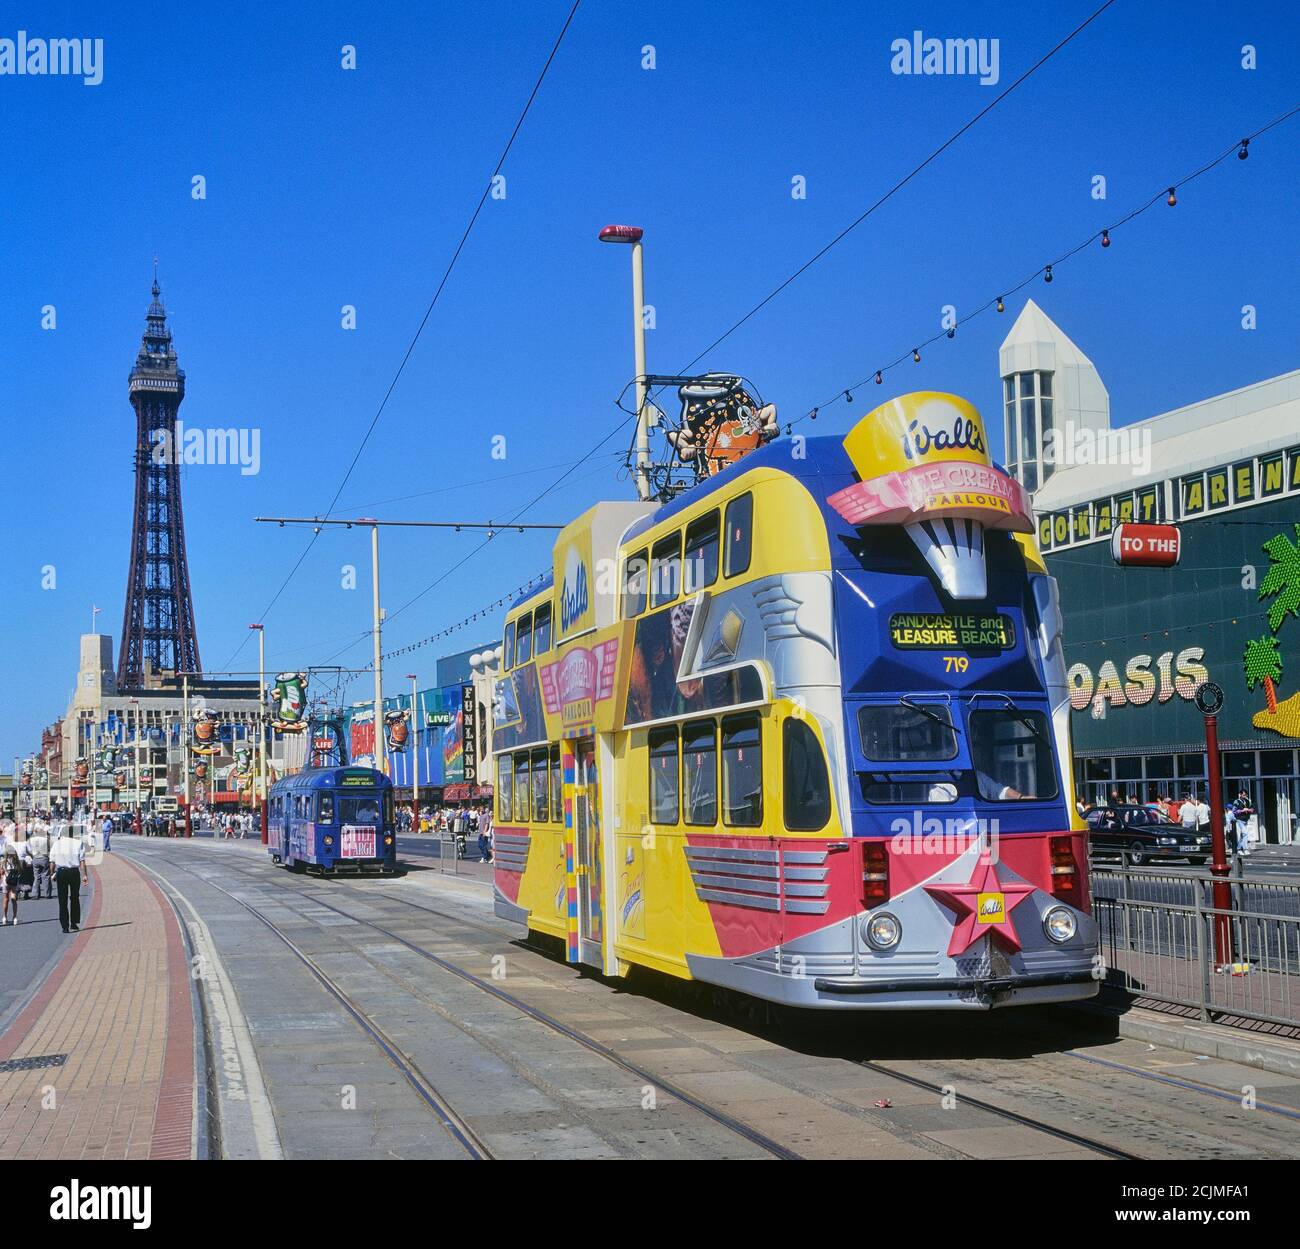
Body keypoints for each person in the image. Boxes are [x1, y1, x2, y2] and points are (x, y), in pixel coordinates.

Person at [50, 823, 89, 933]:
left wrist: (51, 873)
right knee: (74, 897)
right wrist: (84, 875)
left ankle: (64, 926)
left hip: (61, 872)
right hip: (74, 872)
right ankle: (74, 922)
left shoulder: (57, 844)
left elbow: (52, 861)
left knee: (62, 900)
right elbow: (82, 860)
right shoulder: (78, 843)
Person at [27, 823, 50, 900]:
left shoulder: (31, 839)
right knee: (46, 876)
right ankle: (47, 893)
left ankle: (35, 894)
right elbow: (49, 848)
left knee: (36, 876)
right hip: (44, 857)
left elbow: (29, 850)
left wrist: (32, 854)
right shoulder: (45, 839)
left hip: (35, 857)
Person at [2, 847, 23, 925]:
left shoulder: (3, 862)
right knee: (14, 899)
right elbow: (20, 871)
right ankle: (14, 917)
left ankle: (4, 916)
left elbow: (1, 871)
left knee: (6, 898)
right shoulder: (17, 862)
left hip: (6, 881)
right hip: (14, 881)